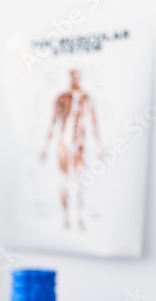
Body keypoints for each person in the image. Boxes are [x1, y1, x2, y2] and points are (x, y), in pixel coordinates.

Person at [39, 67, 104, 230]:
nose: (75, 79)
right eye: (73, 76)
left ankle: (81, 216)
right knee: (64, 179)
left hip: (79, 142)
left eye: (78, 76)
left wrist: (99, 147)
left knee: (80, 179)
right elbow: (53, 123)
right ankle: (66, 217)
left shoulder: (86, 98)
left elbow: (93, 122)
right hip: (63, 142)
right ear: (70, 77)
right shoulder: (62, 97)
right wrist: (45, 148)